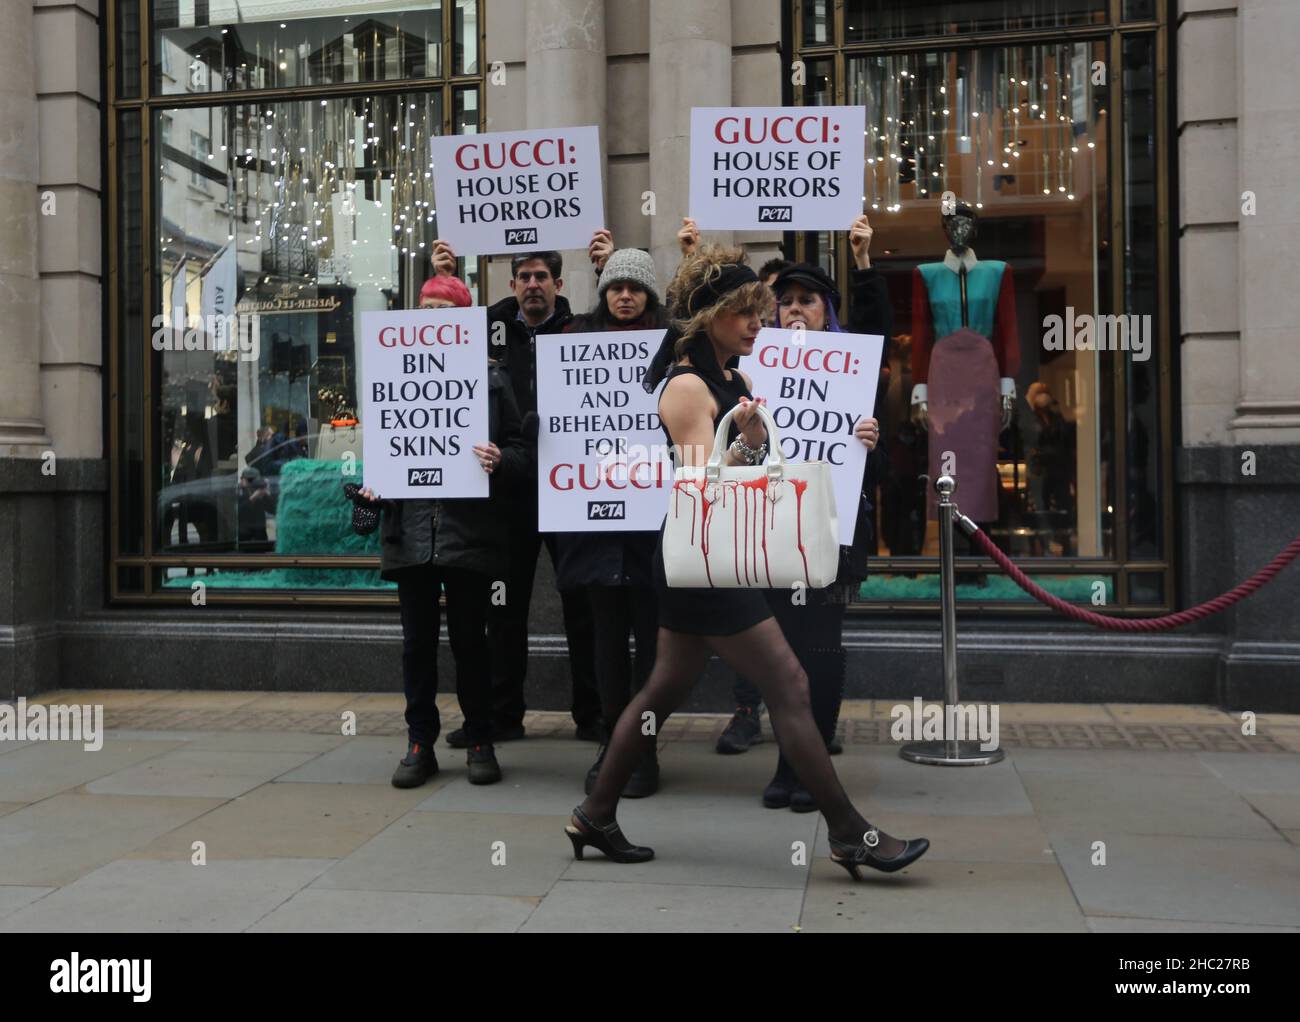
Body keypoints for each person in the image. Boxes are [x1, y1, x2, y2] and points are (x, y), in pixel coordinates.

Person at [565, 244, 928, 878]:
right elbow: (703, 486)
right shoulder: (686, 386)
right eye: (744, 313)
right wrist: (745, 447)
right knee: (788, 682)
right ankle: (849, 833)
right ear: (710, 316)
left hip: (707, 558)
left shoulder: (735, 381)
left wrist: (755, 441)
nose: (759, 324)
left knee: (660, 691)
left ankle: (595, 812)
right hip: (704, 556)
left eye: (760, 312)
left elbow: (744, 469)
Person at [717, 216, 892, 765]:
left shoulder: (856, 370)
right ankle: (792, 750)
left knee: (822, 639)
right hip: (771, 524)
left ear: (827, 312)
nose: (795, 308)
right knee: (778, 641)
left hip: (835, 528)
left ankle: (816, 738)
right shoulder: (747, 373)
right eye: (785, 300)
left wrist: (870, 442)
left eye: (808, 301)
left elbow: (879, 472)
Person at [431, 237, 606, 748]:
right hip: (507, 488)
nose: (532, 285)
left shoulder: (580, 331)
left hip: (571, 486)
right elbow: (436, 337)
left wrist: (602, 269)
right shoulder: (486, 330)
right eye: (523, 277)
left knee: (581, 607)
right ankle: (501, 715)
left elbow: (625, 335)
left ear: (558, 283)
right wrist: (448, 274)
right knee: (503, 611)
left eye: (541, 277)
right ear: (511, 286)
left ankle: (591, 714)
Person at [358, 273, 529, 789]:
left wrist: (502, 459)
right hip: (411, 534)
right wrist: (375, 486)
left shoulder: (492, 380)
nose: (434, 316)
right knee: (417, 646)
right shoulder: (393, 371)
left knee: (471, 643)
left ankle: (480, 738)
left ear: (463, 318)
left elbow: (522, 450)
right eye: (426, 306)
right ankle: (419, 743)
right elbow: (387, 449)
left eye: (445, 309)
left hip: (467, 534)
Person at [554, 248, 669, 798]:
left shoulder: (673, 349)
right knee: (605, 642)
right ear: (604, 295)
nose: (625, 296)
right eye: (616, 287)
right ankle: (612, 739)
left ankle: (642, 749)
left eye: (635, 288)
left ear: (649, 295)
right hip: (595, 523)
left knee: (651, 644)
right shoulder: (576, 342)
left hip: (653, 527)